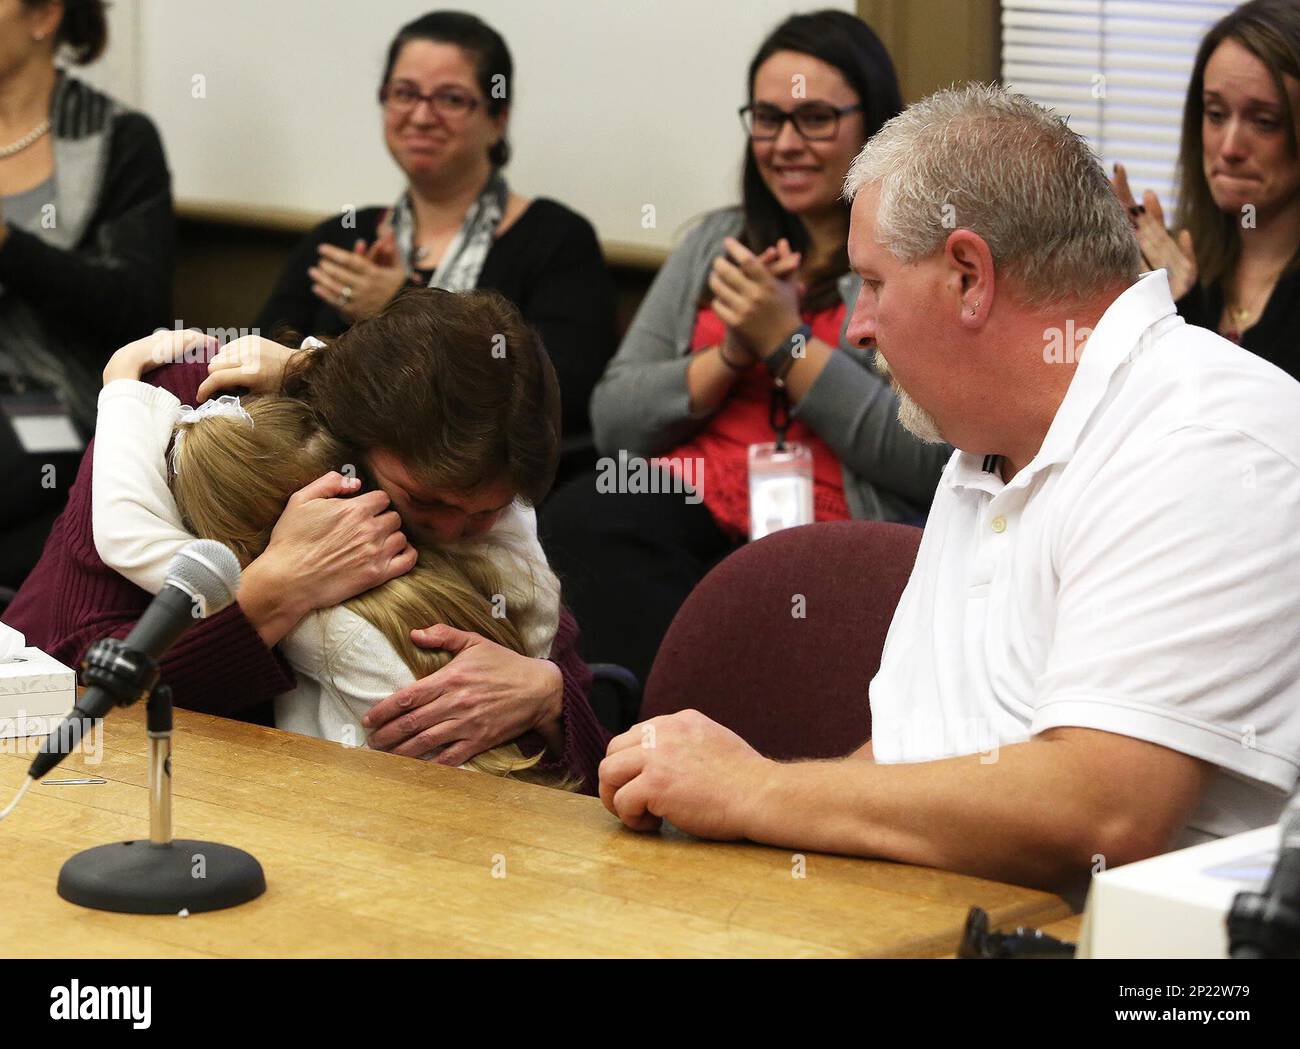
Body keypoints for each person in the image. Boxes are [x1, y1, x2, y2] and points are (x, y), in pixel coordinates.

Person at [598, 85, 1300, 899]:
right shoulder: (986, 440)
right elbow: (911, 756)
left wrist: (752, 789)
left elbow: (1105, 815)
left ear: (969, 274)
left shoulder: (1207, 436)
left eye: (873, 283)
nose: (857, 326)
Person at [4, 288, 611, 793]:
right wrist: (271, 595)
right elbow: (86, 688)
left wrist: (547, 697)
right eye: (425, 501)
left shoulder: (482, 475)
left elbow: (579, 719)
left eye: (486, 513)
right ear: (349, 437)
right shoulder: (190, 419)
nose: (452, 532)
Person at [540, 10, 949, 706]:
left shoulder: (913, 255)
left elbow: (922, 455)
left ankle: (694, 743)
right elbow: (614, 419)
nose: (786, 143)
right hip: (691, 498)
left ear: (874, 123)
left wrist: (785, 341)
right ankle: (650, 728)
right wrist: (730, 351)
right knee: (592, 504)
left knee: (785, 592)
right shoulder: (715, 244)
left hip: (829, 524)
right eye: (767, 118)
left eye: (815, 118)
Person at [255, 9, 615, 440]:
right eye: (405, 93)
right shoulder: (341, 237)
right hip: (325, 467)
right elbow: (261, 360)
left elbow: (563, 397)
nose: (422, 116)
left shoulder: (557, 240)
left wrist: (400, 306)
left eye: (450, 99)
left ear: (497, 119)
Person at [0, 0, 172, 590]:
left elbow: (136, 309)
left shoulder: (116, 139)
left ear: (44, 14)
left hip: (50, 403)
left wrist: (9, 247)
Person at [1111, 0, 1300, 380]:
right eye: (1215, 114)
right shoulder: (1177, 267)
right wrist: (1156, 306)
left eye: (1264, 122)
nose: (1229, 148)